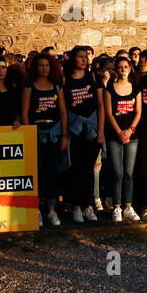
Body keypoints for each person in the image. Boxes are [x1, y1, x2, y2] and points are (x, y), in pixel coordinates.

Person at [22, 52, 68, 226]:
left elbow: (63, 112)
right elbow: (25, 114)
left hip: (54, 134)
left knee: (52, 172)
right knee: (37, 173)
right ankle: (36, 210)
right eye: (41, 65)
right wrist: (28, 136)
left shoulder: (57, 87)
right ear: (35, 67)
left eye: (47, 65)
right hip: (36, 133)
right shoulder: (29, 88)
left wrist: (64, 135)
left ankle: (51, 209)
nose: (44, 68)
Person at [63, 47, 104, 223]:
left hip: (92, 129)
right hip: (74, 129)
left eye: (85, 57)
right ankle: (76, 206)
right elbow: (63, 109)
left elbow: (101, 105)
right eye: (80, 57)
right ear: (73, 59)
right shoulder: (65, 80)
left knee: (89, 169)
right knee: (75, 168)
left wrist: (101, 131)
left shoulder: (94, 78)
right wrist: (65, 133)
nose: (83, 60)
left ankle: (88, 205)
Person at [103, 55, 141, 222]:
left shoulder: (136, 88)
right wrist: (119, 132)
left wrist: (130, 130)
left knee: (128, 173)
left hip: (132, 136)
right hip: (114, 136)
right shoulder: (109, 89)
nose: (123, 70)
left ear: (130, 68)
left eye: (126, 67)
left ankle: (128, 205)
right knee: (117, 172)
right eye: (120, 67)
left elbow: (138, 112)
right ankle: (116, 207)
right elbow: (109, 113)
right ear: (115, 70)